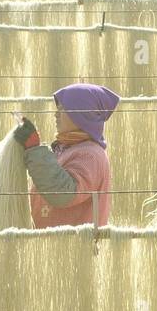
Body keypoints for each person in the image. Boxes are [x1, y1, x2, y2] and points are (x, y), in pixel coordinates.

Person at [12, 83, 120, 228]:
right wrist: (4, 173)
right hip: (50, 245)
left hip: (74, 248)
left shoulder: (91, 155)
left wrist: (34, 149)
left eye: (62, 109)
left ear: (81, 115)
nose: (56, 114)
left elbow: (62, 193)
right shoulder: (64, 149)